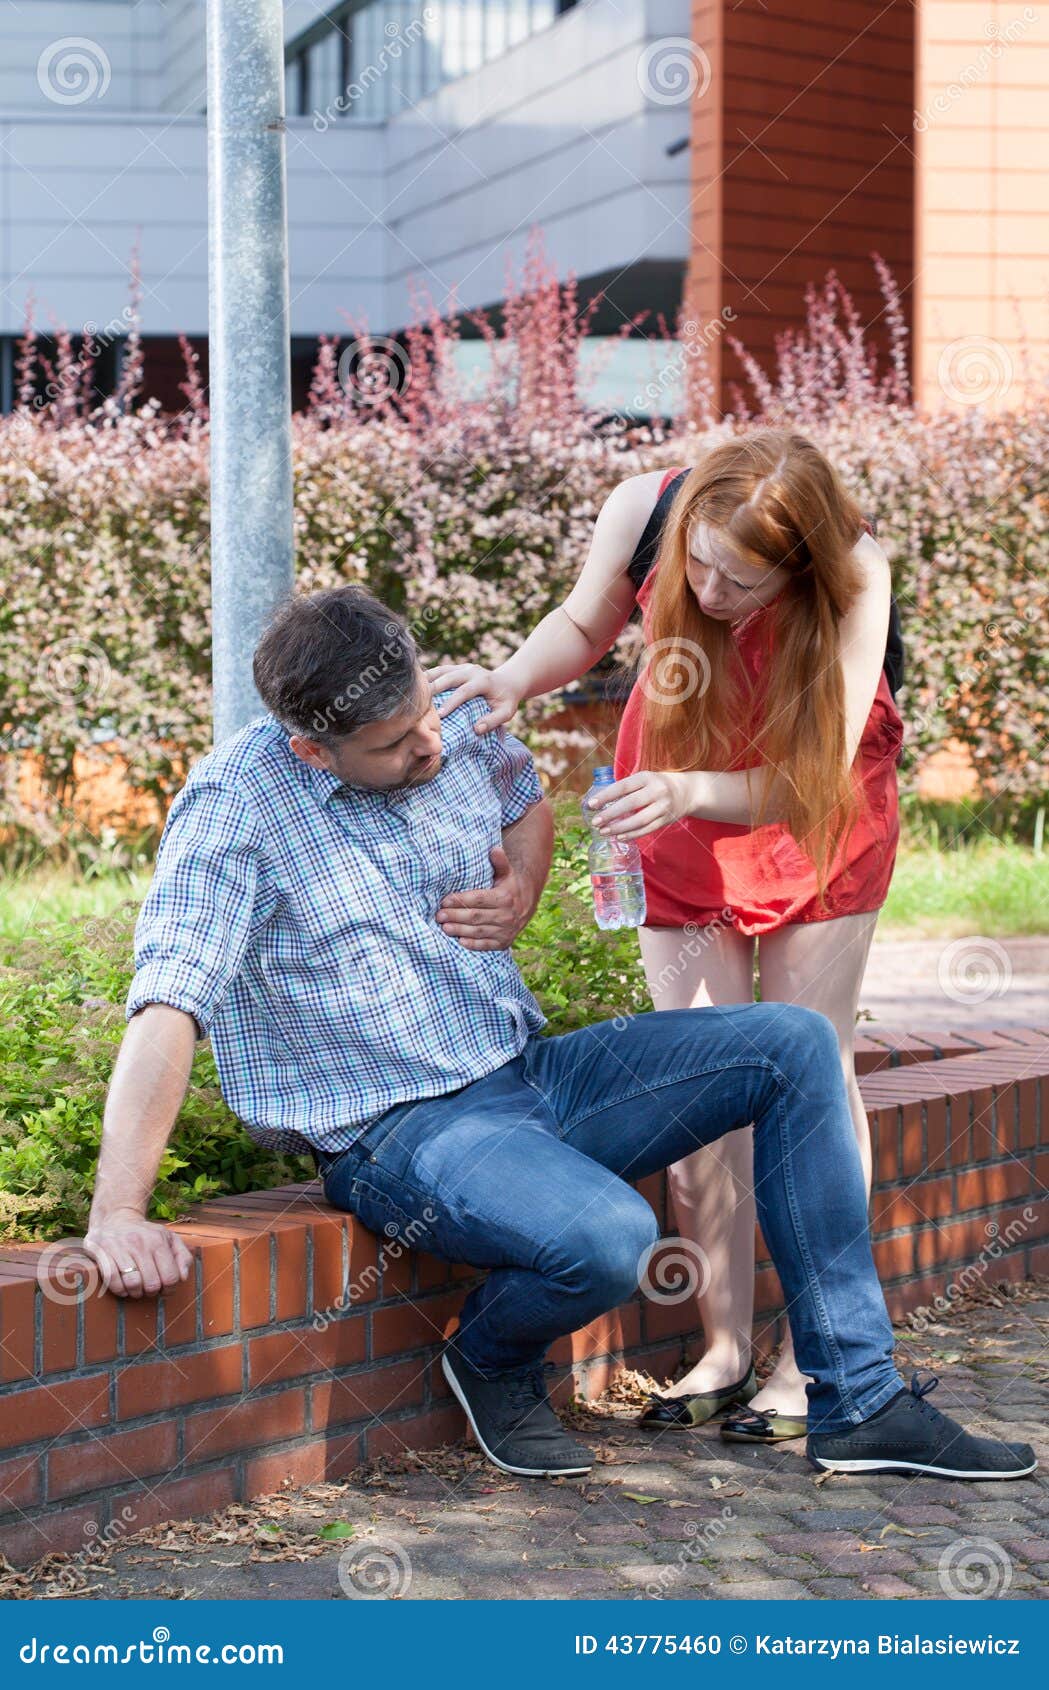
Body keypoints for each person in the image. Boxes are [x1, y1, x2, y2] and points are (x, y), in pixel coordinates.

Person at [84, 585, 1034, 1486]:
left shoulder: (449, 717)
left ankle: (859, 1400)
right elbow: (169, 1004)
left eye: (424, 712)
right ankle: (489, 1355)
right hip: (399, 1130)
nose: (430, 741)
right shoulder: (235, 811)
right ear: (312, 751)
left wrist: (522, 890)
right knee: (608, 1238)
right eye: (394, 743)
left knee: (790, 1045)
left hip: (531, 1074)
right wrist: (119, 1212)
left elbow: (520, 796)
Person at [427, 430, 905, 1443]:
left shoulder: (855, 571)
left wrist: (692, 791)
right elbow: (582, 620)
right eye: (698, 567)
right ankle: (722, 1348)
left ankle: (808, 1358)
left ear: (799, 568)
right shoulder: (643, 508)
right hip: (674, 803)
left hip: (809, 810)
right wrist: (514, 677)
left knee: (815, 1076)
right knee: (699, 1090)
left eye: (742, 583)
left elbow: (814, 773)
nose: (710, 593)